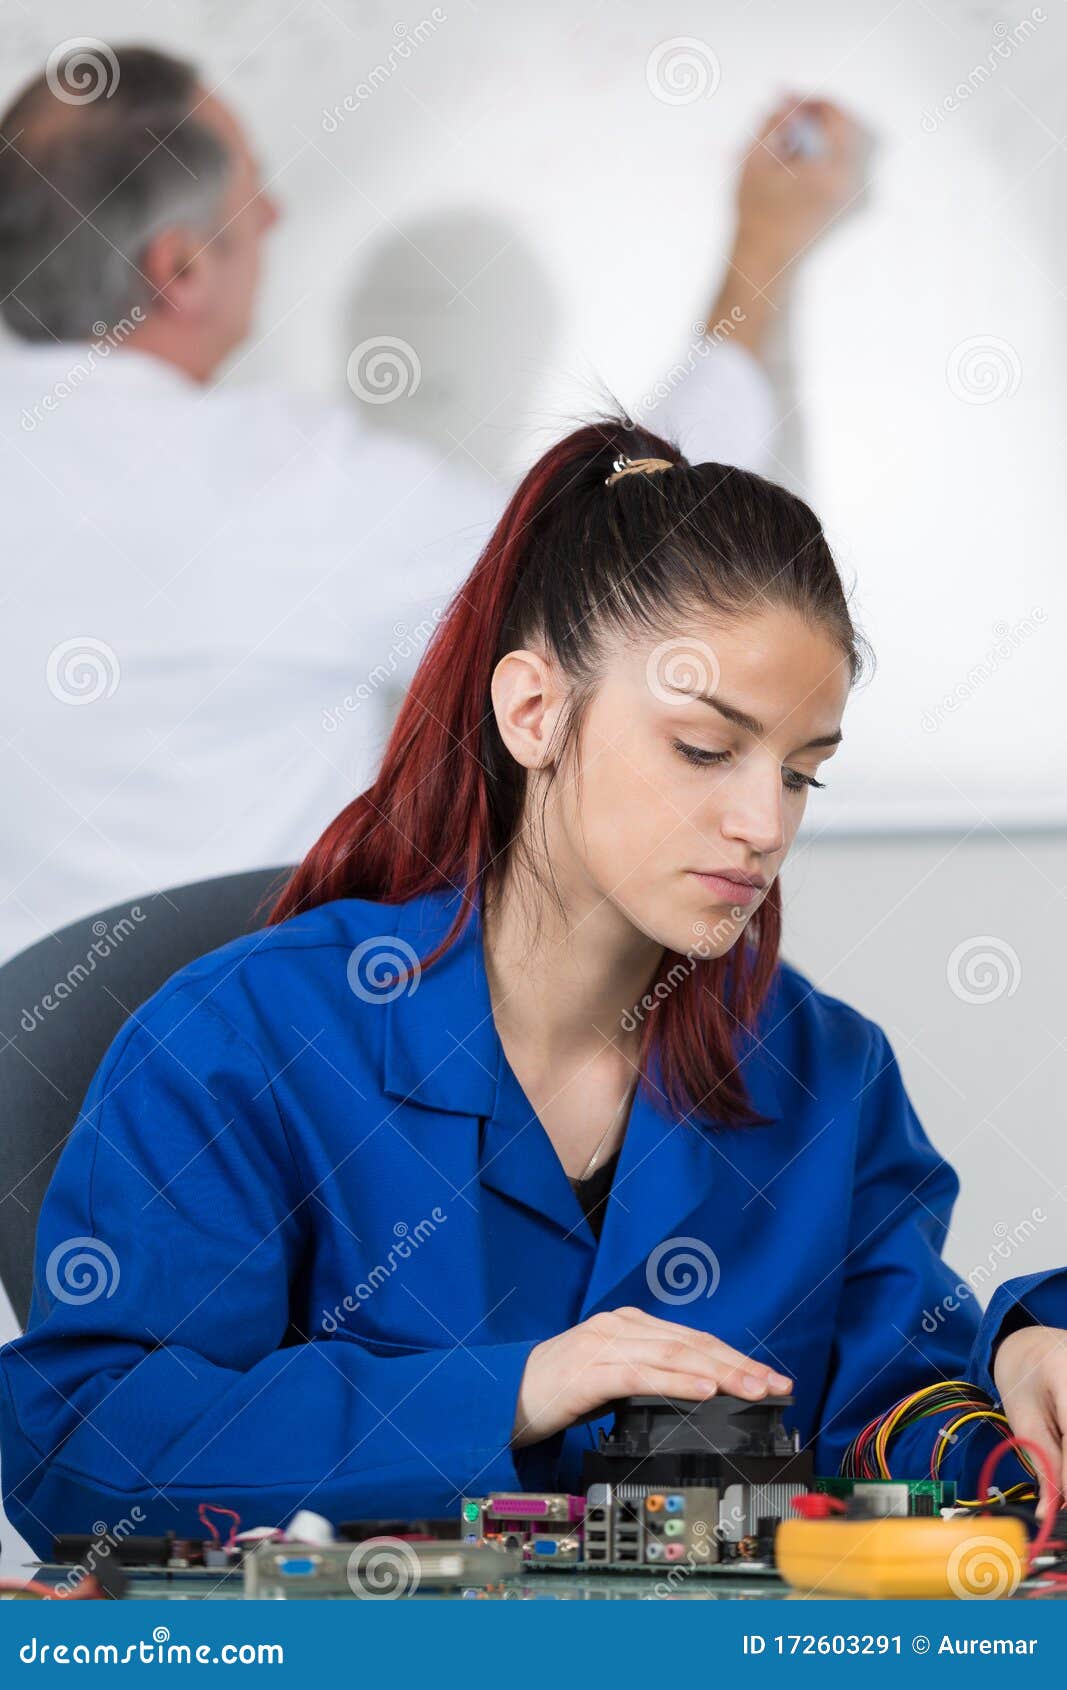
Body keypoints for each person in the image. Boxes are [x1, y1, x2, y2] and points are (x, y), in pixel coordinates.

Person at [2, 417, 1064, 1552]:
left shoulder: (821, 1073)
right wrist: (513, 1390)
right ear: (533, 711)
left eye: (802, 773)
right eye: (704, 750)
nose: (763, 826)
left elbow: (885, 1405)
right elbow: (86, 1451)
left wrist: (1009, 1368)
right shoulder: (241, 1039)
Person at [0, 42, 861, 962]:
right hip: (239, 1074)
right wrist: (760, 250)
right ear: (176, 270)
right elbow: (647, 548)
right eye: (252, 203)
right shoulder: (289, 485)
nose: (277, 215)